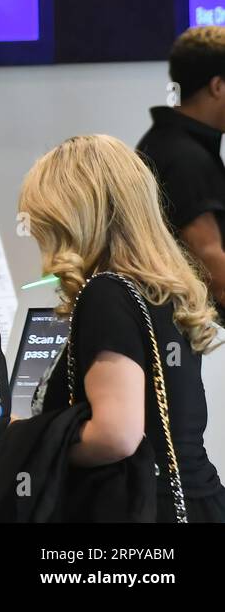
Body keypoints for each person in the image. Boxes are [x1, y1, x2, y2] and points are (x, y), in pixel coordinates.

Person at [18, 135, 225, 522]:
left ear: (73, 217)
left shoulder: (106, 293)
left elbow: (117, 435)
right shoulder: (165, 290)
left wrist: (28, 442)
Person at [138, 26, 225, 301]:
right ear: (218, 86)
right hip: (200, 336)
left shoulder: (161, 142)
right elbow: (216, 276)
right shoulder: (186, 159)